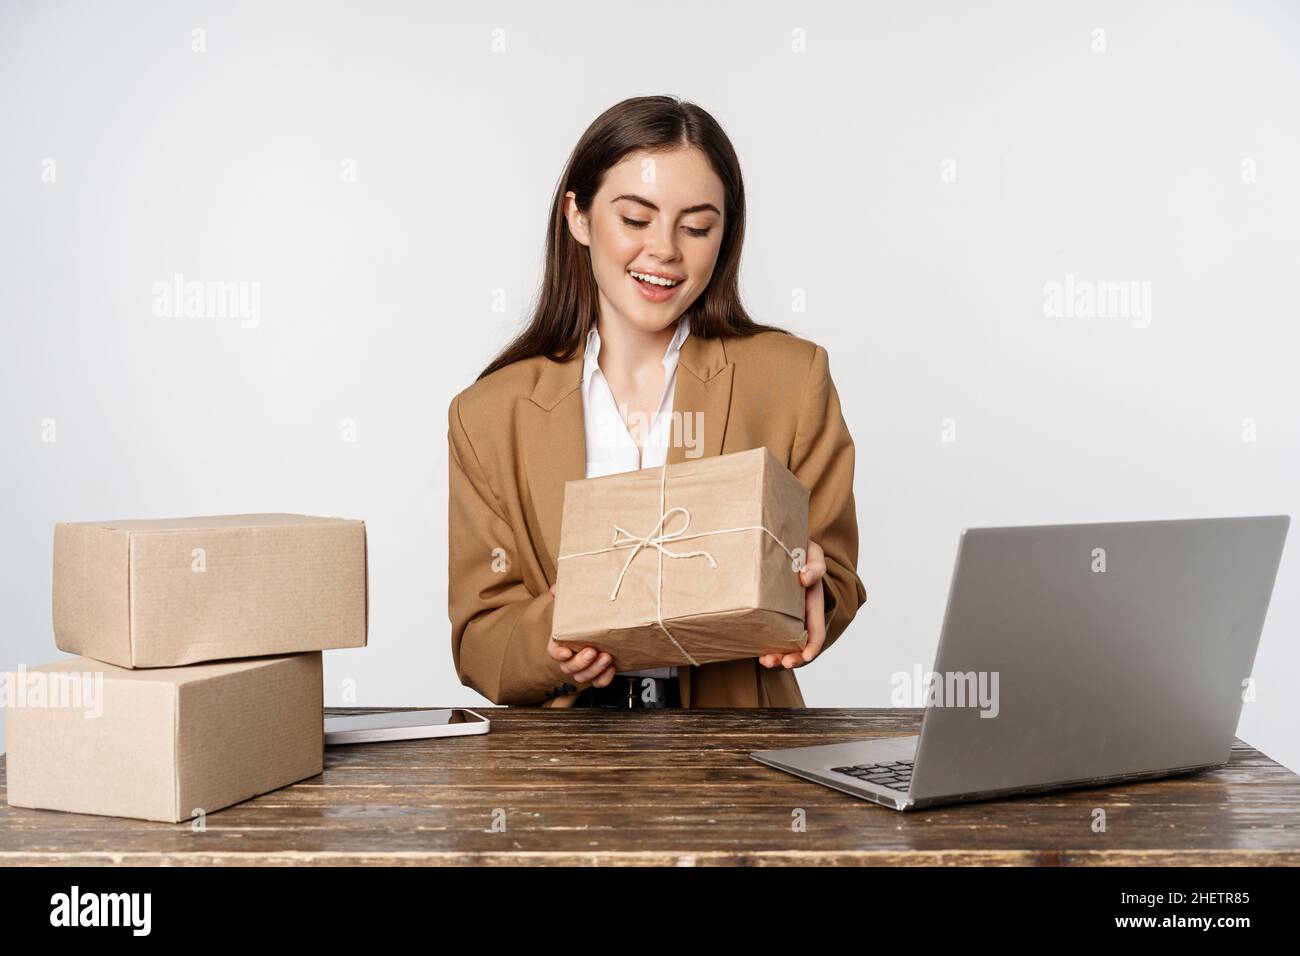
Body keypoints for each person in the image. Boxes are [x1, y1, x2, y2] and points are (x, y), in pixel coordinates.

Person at [448, 94, 866, 709]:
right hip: (562, 769)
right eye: (636, 220)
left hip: (738, 755)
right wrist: (555, 634)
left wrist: (812, 592)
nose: (665, 250)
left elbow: (836, 578)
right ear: (580, 217)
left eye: (697, 227)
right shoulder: (488, 416)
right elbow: (479, 642)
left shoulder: (791, 379)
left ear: (725, 236)